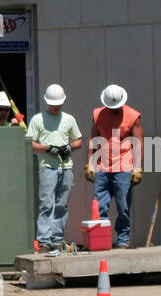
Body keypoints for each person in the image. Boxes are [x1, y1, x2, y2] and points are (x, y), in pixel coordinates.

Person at [27, 83, 82, 252]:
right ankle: (44, 240)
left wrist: (69, 147)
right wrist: (47, 148)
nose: (55, 106)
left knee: (62, 203)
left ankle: (57, 238)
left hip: (66, 166)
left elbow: (78, 140)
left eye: (58, 103)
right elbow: (30, 143)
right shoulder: (38, 119)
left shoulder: (69, 119)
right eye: (53, 103)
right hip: (47, 167)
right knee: (46, 204)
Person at [86, 84, 143, 249]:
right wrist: (90, 163)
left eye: (117, 108)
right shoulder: (98, 114)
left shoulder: (133, 116)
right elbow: (93, 138)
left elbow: (138, 143)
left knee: (123, 206)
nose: (114, 110)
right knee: (99, 206)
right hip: (102, 166)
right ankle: (101, 239)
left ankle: (122, 239)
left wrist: (137, 167)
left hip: (124, 167)